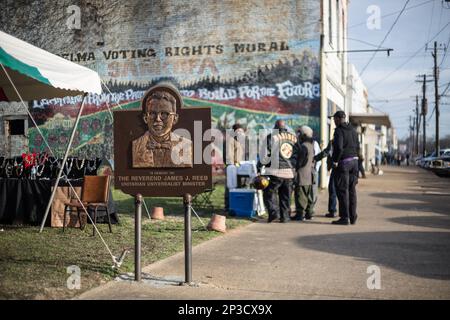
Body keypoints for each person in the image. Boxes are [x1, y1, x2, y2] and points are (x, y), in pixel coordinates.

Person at [132, 83, 192, 168]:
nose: (158, 119)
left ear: (175, 118)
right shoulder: (136, 146)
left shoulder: (185, 146)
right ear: (145, 118)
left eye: (164, 114)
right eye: (152, 113)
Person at [260, 120, 296, 223]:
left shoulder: (271, 137)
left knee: (269, 192)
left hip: (275, 171)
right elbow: (298, 154)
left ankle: (273, 212)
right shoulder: (293, 138)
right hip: (289, 172)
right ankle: (285, 217)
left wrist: (260, 166)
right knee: (286, 195)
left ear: (275, 127)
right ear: (285, 127)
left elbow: (264, 155)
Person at [330, 111, 359, 225]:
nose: (333, 121)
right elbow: (357, 145)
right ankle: (353, 216)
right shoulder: (352, 130)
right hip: (354, 162)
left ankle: (344, 218)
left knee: (343, 191)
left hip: (344, 163)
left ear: (338, 119)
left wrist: (335, 161)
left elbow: (338, 147)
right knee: (352, 190)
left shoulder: (339, 130)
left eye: (334, 119)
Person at [293, 126, 315, 221]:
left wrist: (295, 167)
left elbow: (301, 162)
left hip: (302, 175)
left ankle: (300, 214)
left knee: (300, 196)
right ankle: (309, 213)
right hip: (309, 175)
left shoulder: (303, 146)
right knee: (309, 196)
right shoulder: (311, 145)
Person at [224, 123, 246, 212]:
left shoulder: (240, 141)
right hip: (232, 167)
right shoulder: (230, 140)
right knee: (230, 186)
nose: (241, 133)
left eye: (242, 131)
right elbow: (229, 156)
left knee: (239, 186)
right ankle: (228, 206)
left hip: (240, 167)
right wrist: (234, 165)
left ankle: (237, 205)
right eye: (239, 131)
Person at [314, 141, 337, 218]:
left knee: (333, 189)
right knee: (344, 191)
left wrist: (315, 158)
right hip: (347, 168)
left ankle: (332, 210)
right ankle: (346, 212)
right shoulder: (349, 140)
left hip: (336, 168)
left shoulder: (334, 142)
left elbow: (326, 152)